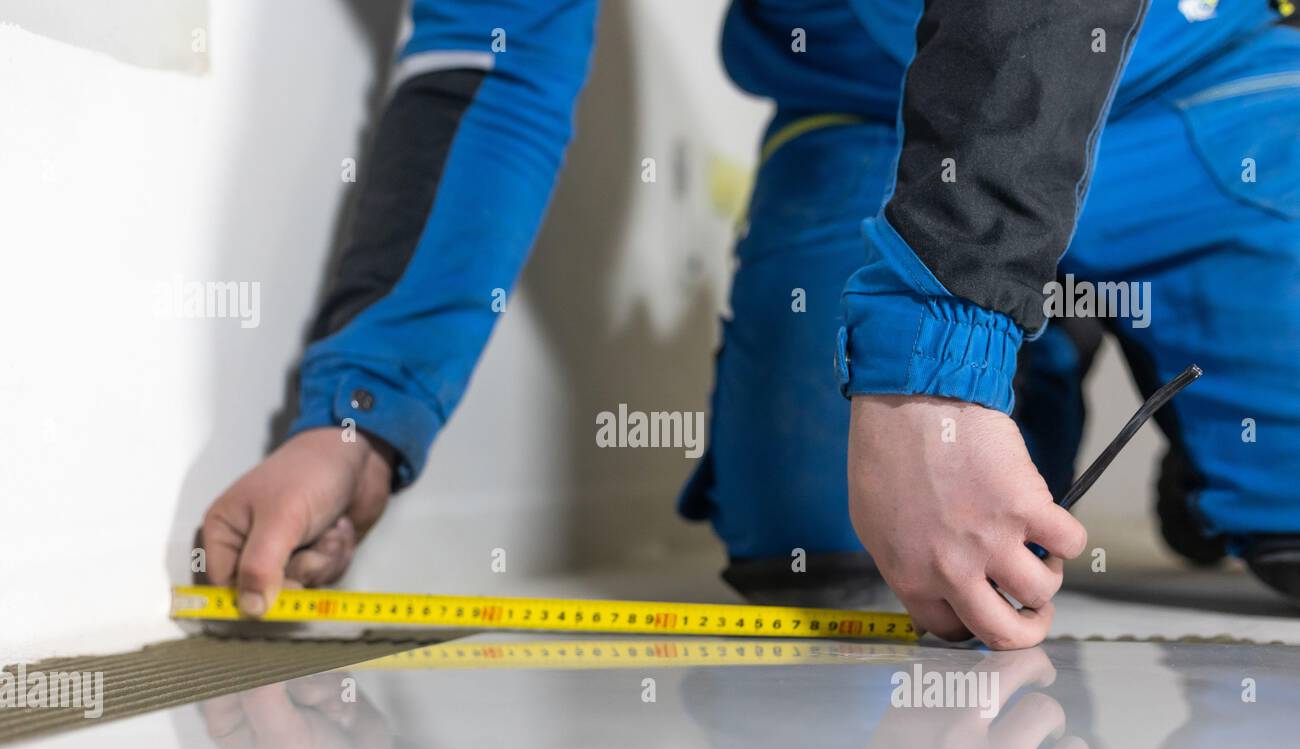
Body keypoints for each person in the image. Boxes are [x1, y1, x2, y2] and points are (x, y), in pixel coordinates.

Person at [201, 1, 1300, 650]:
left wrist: (936, 362)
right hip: (884, 112)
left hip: (1205, 88)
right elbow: (490, 62)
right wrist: (359, 415)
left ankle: (1136, 389)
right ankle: (1043, 342)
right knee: (825, 538)